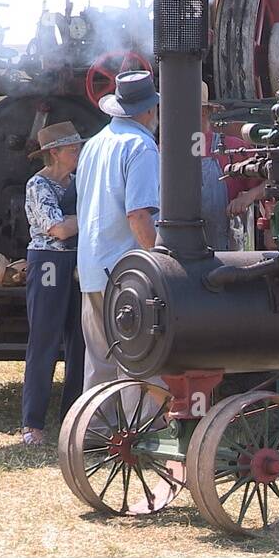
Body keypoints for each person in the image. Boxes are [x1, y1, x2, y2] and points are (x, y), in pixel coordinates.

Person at [76, 71, 162, 392]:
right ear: (150, 110)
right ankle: (141, 435)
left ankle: (95, 435)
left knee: (99, 362)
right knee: (138, 357)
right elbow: (139, 215)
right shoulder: (141, 146)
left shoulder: (93, 144)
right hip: (129, 273)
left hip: (92, 268)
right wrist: (160, 263)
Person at [20, 122, 87, 445]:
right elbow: (57, 229)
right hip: (48, 263)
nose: (77, 153)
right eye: (72, 149)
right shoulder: (37, 185)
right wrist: (89, 219)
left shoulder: (78, 182)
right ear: (54, 154)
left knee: (80, 340)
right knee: (44, 340)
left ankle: (72, 417)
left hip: (78, 262)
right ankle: (32, 423)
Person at [200, 82, 267, 251]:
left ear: (205, 112)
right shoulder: (164, 152)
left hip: (225, 257)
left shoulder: (233, 148)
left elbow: (273, 182)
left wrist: (248, 196)